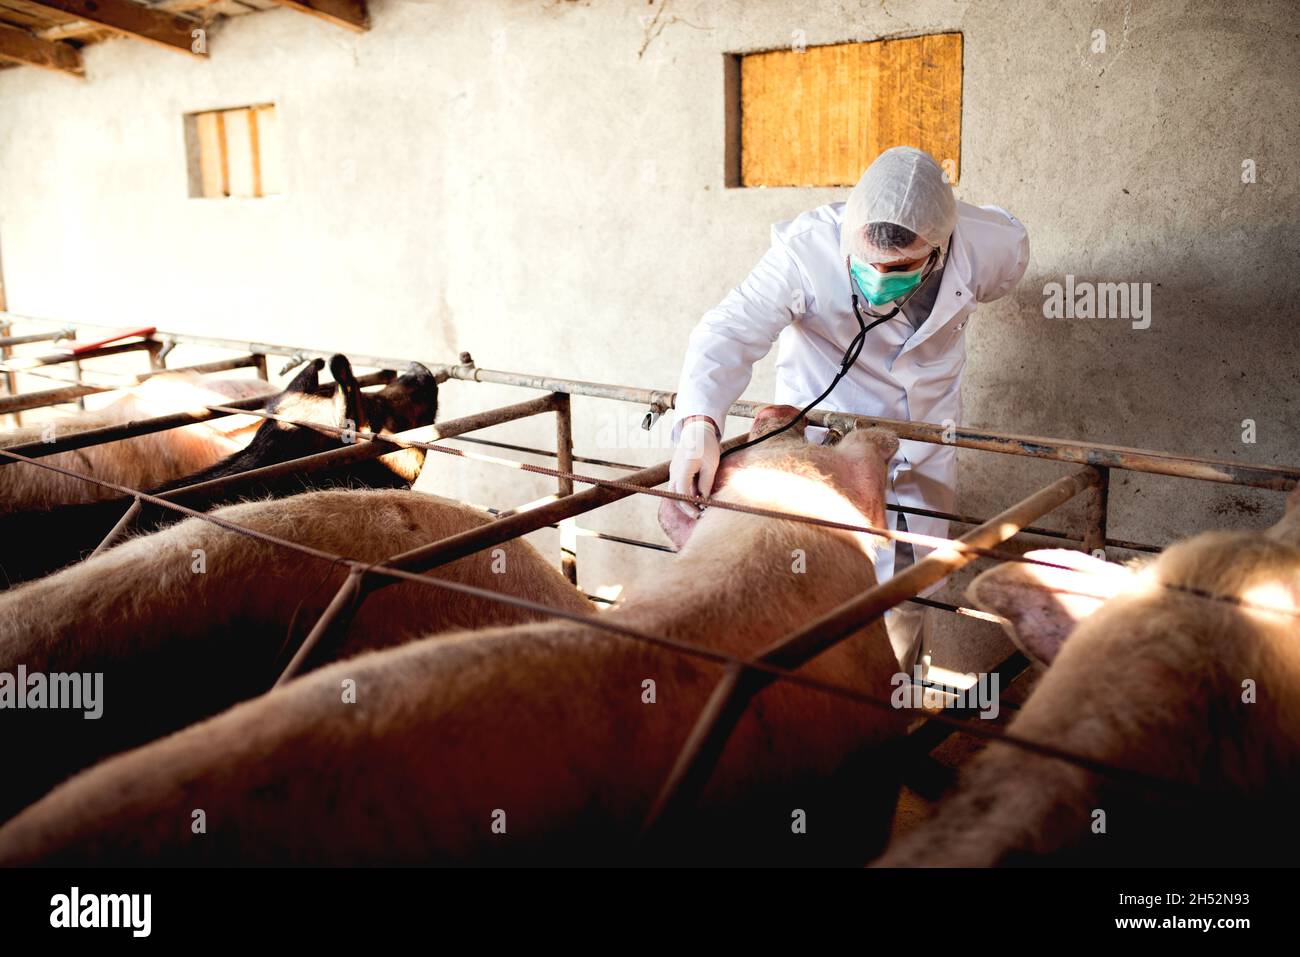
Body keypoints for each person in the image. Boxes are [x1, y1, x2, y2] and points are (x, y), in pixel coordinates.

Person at [668, 146, 1029, 673]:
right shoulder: (805, 251)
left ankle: (893, 715)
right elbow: (727, 331)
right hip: (825, 434)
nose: (881, 275)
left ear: (939, 248)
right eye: (868, 263)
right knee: (811, 576)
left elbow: (996, 279)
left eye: (900, 267)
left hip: (921, 441)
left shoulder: (992, 246)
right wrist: (699, 423)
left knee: (906, 587)